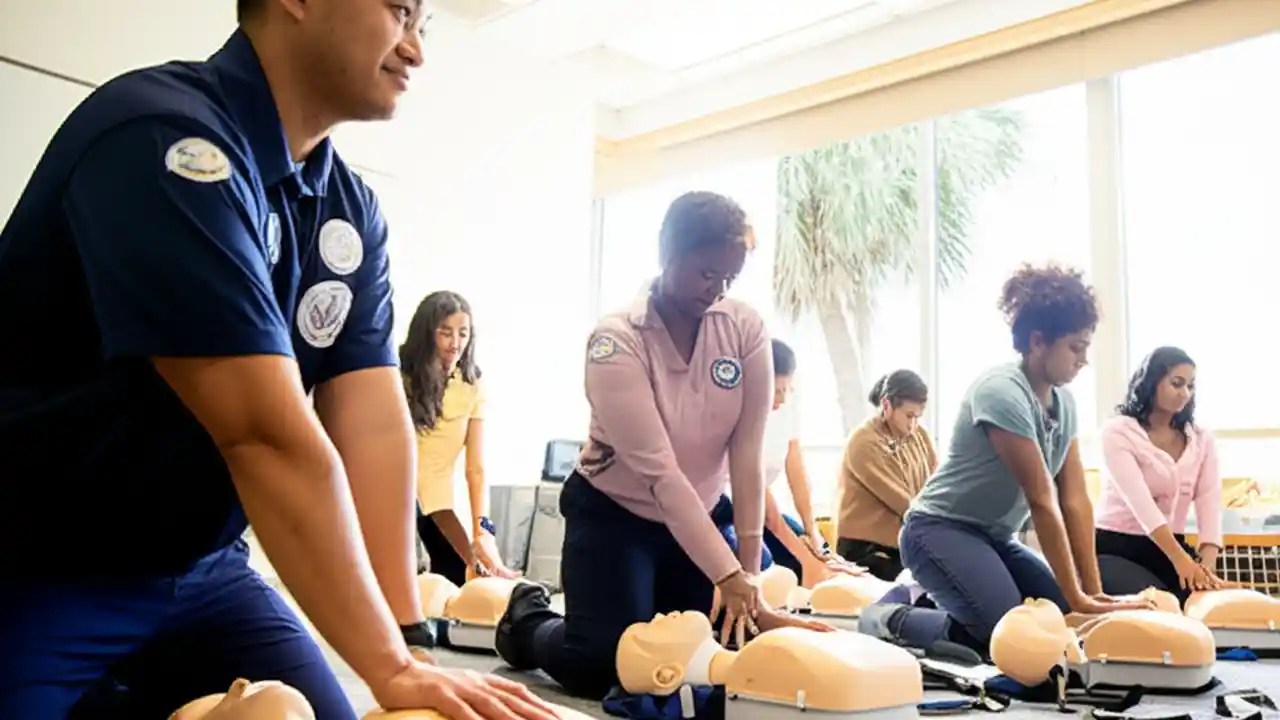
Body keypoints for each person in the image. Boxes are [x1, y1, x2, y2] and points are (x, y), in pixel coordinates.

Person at [0, 2, 553, 719]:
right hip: (43, 564)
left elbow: (374, 431)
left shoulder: (348, 210)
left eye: (425, 24)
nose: (415, 50)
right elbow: (265, 437)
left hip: (204, 573)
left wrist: (408, 647)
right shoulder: (164, 137)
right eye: (399, 11)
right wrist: (384, 664)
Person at [490, 191, 830, 700]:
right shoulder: (616, 341)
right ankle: (526, 620)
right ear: (667, 254)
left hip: (698, 516)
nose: (717, 289)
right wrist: (729, 573)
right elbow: (661, 474)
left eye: (730, 277)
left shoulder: (744, 329)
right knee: (606, 664)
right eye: (706, 273)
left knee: (705, 645)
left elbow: (747, 450)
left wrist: (750, 576)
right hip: (616, 514)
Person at [859, 264, 1149, 658]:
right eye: (1076, 347)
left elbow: (1075, 500)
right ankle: (891, 615)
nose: (1084, 360)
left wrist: (1089, 594)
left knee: (1059, 619)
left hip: (993, 537)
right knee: (1004, 635)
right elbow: (1042, 499)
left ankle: (943, 596)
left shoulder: (1064, 403)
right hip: (937, 530)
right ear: (1037, 342)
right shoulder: (1001, 392)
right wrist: (1080, 595)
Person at [712, 339, 855, 580]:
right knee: (772, 561)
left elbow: (796, 469)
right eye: (775, 391)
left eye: (786, 389)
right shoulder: (737, 414)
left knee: (813, 546)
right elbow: (759, 500)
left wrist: (814, 535)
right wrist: (808, 563)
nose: (782, 398)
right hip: (726, 510)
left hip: (761, 505)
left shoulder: (786, 407)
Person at [401, 291, 518, 585]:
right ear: (427, 334)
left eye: (463, 334)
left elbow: (476, 469)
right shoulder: (398, 377)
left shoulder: (471, 386)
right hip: (398, 495)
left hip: (439, 502)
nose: (456, 344)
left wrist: (484, 531)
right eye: (445, 333)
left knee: (466, 575)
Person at [1094, 346, 1226, 601]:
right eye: (1177, 384)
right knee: (1163, 605)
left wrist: (1206, 568)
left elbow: (1210, 504)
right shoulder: (1117, 432)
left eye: (1190, 386)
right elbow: (1141, 505)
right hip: (1116, 546)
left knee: (1203, 602)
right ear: (1152, 381)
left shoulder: (1201, 439)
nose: (1185, 393)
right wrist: (1181, 560)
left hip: (1171, 546)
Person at [836, 370, 937, 581]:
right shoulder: (864, 442)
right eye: (909, 416)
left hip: (904, 543)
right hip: (866, 550)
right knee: (929, 581)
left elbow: (938, 483)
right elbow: (903, 503)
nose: (913, 425)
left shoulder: (919, 434)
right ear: (886, 405)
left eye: (918, 417)